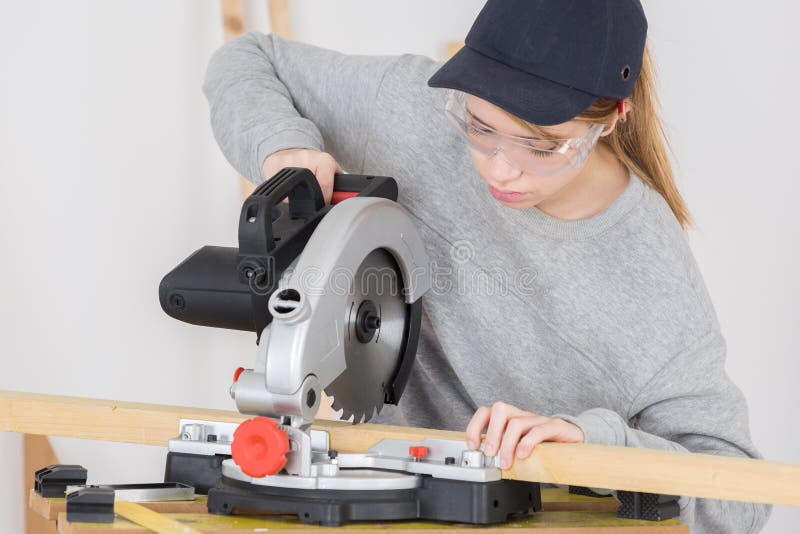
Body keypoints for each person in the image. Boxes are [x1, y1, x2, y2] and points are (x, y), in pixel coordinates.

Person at [202, 1, 770, 531]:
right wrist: (282, 148)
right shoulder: (411, 109)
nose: (501, 169)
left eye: (541, 146)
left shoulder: (655, 282)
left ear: (614, 117)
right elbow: (247, 58)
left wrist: (595, 442)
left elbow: (741, 495)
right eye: (480, 127)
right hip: (364, 505)